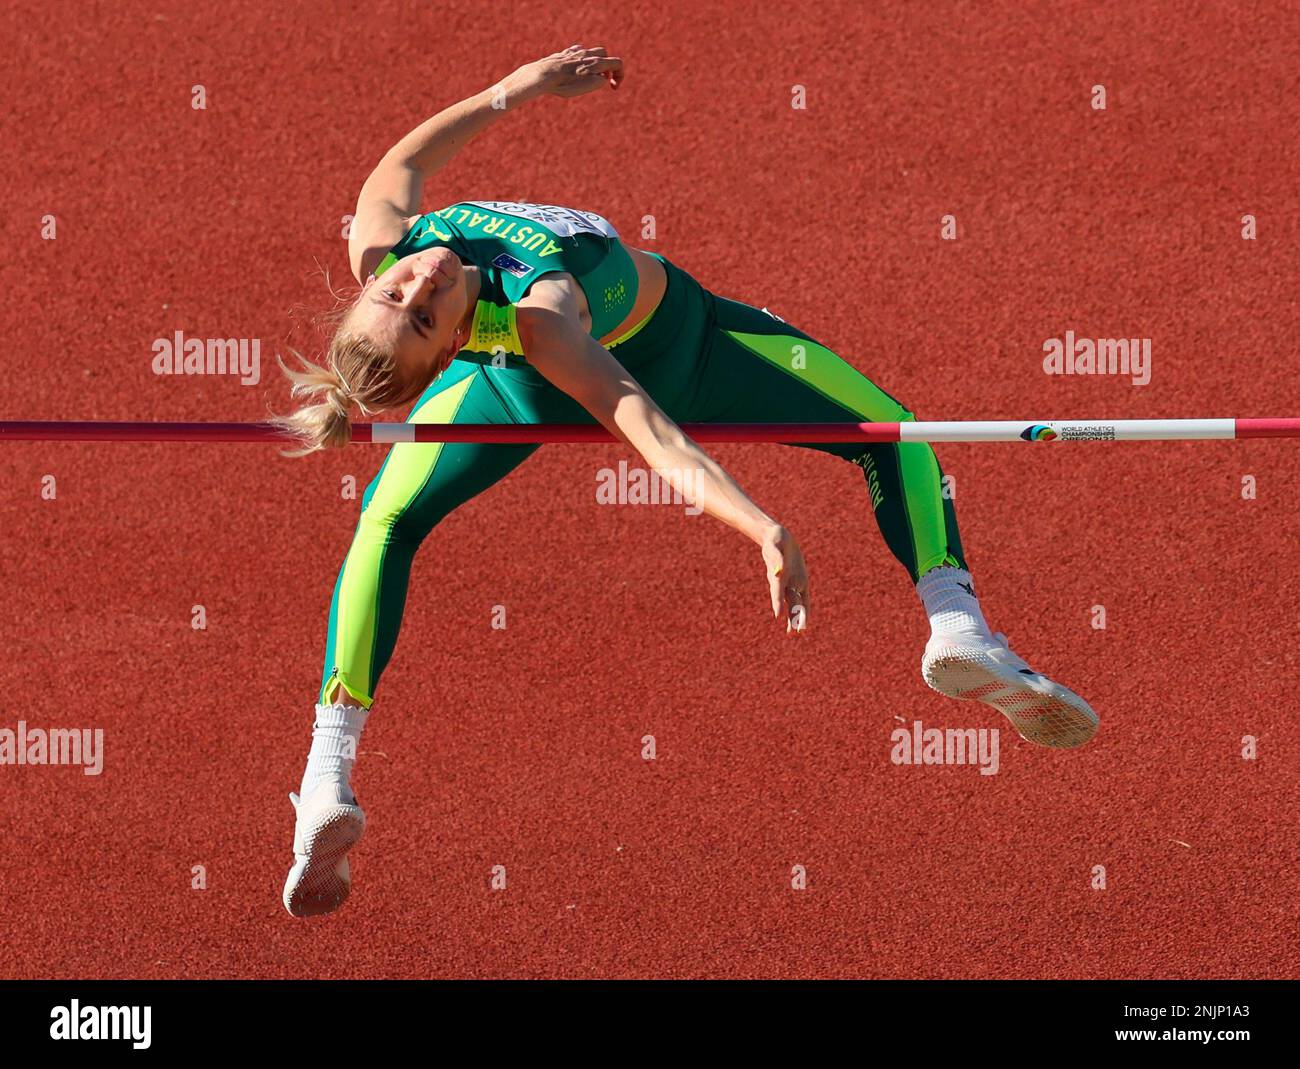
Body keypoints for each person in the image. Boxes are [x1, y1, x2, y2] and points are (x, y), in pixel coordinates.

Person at [277, 45, 1098, 918]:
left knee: (386, 517)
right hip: (684, 357)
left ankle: (327, 775)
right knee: (896, 435)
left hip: (522, 393)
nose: (420, 283)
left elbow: (402, 163)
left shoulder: (381, 243)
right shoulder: (541, 320)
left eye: (396, 290)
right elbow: (645, 426)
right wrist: (758, 525)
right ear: (451, 348)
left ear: (369, 279)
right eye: (427, 315)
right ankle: (957, 620)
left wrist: (517, 91)